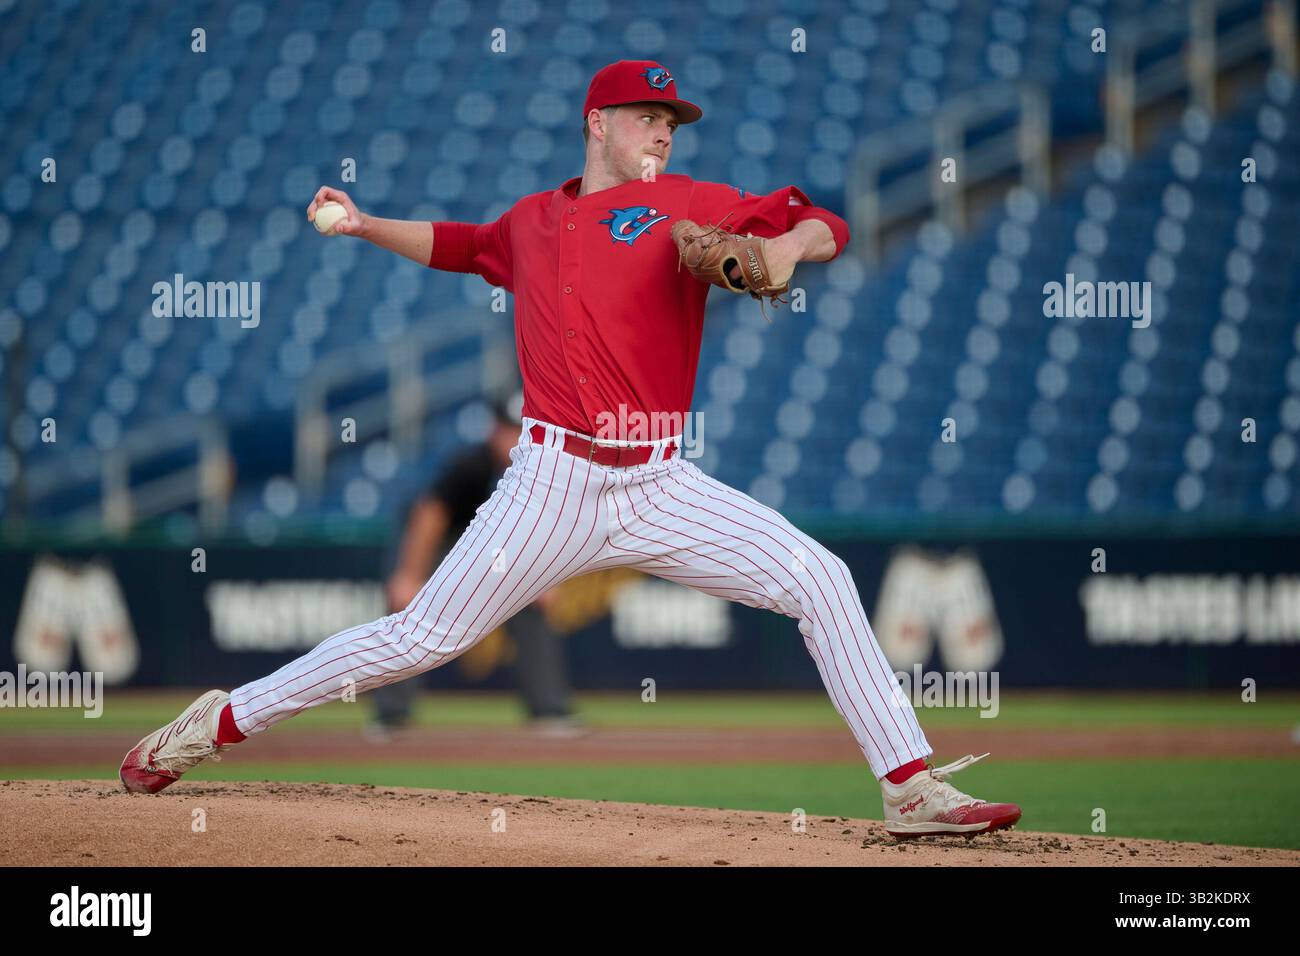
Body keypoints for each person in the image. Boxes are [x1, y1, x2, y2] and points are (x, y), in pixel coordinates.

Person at [120, 60, 1020, 838]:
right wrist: (363, 224)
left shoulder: (690, 203)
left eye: (670, 121)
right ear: (598, 124)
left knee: (820, 578)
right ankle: (214, 724)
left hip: (661, 479)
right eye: (646, 118)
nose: (661, 133)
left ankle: (910, 789)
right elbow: (463, 246)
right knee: (419, 637)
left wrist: (786, 246)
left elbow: (829, 221)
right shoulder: (530, 223)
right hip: (551, 480)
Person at [368, 395, 583, 739]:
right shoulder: (473, 465)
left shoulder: (541, 470)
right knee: (409, 611)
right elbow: (429, 516)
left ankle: (549, 710)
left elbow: (548, 527)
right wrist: (410, 575)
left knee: (533, 604)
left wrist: (544, 578)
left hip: (495, 550)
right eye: (507, 430)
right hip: (442, 545)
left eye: (520, 430)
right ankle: (391, 715)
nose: (513, 439)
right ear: (492, 431)